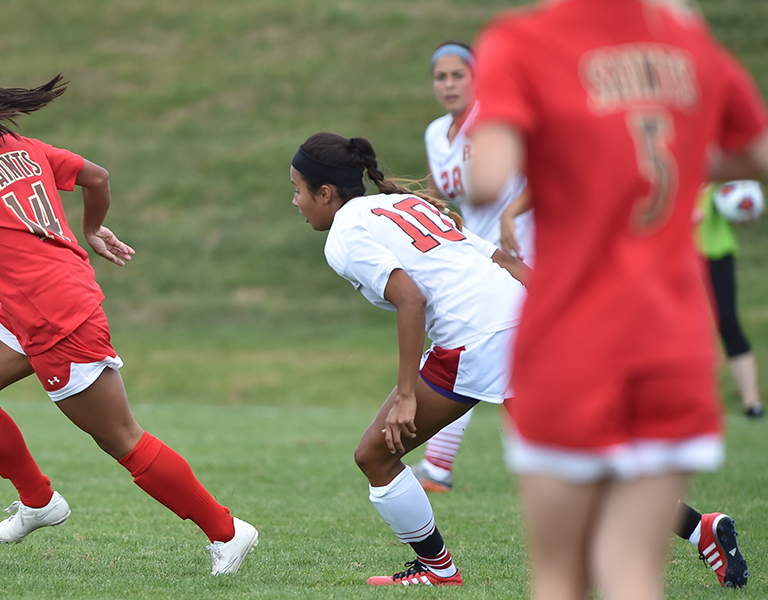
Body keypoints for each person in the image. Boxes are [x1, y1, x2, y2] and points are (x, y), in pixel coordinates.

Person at [0, 49, 257, 575]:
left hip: (55, 317)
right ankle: (39, 502)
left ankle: (227, 531)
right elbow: (97, 177)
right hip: (33, 303)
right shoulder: (11, 143)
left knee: (121, 439)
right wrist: (92, 228)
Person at [466, 0, 768, 597]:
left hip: (573, 342)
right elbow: (756, 154)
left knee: (561, 576)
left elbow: (484, 181)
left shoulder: (522, 41)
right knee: (632, 572)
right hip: (673, 342)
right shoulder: (687, 39)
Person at [289, 131, 529, 587]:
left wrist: (405, 396)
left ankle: (438, 570)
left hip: (474, 340)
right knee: (582, 461)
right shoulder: (405, 204)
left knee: (374, 456)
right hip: (524, 321)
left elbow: (411, 299)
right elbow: (504, 261)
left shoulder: (344, 237)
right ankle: (687, 526)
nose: (295, 202)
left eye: (298, 190)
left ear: (325, 193)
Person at [411, 40, 536, 494]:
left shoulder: (496, 120)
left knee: (490, 358)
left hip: (523, 257)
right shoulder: (435, 133)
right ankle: (439, 468)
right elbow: (437, 195)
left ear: (476, 78)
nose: (448, 84)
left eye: (457, 75)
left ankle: (556, 460)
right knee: (469, 354)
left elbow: (544, 171)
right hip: (478, 260)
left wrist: (510, 214)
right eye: (440, 77)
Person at [697, 181, 765, 419]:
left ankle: (752, 403)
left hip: (715, 251)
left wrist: (748, 209)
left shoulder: (714, 166)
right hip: (672, 253)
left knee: (727, 321)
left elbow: (740, 195)